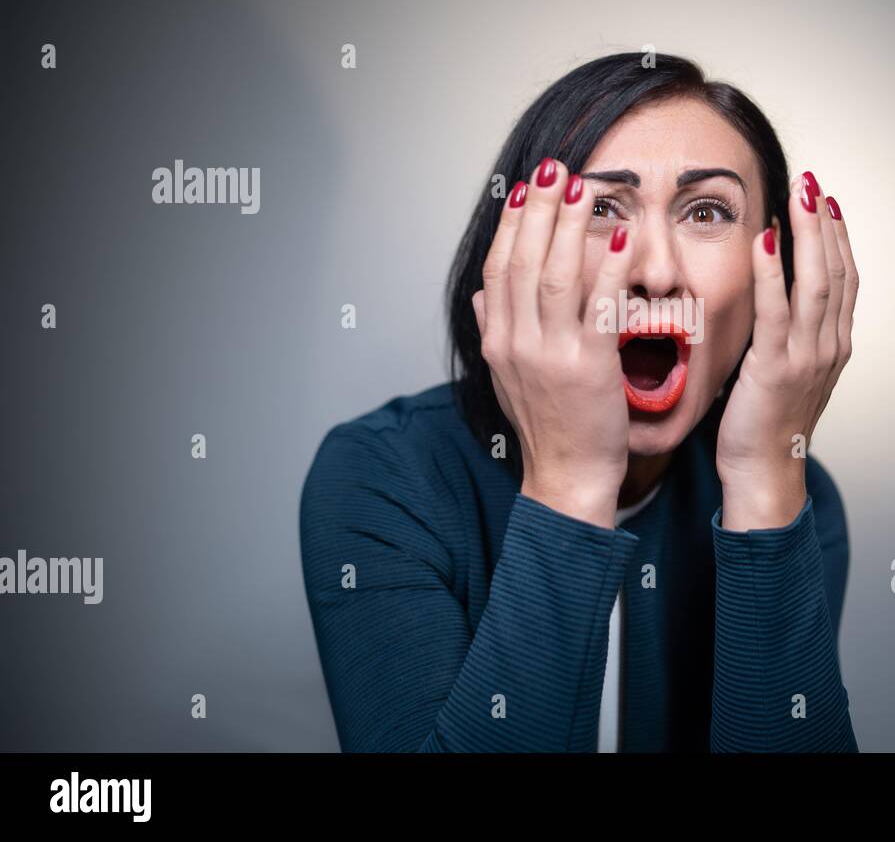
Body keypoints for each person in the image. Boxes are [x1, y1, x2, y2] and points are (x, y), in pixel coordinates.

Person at [299, 52, 860, 752]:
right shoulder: (384, 475)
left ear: (772, 273)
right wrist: (570, 481)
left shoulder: (799, 501)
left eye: (707, 211)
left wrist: (768, 481)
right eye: (601, 208)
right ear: (515, 255)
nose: (656, 274)